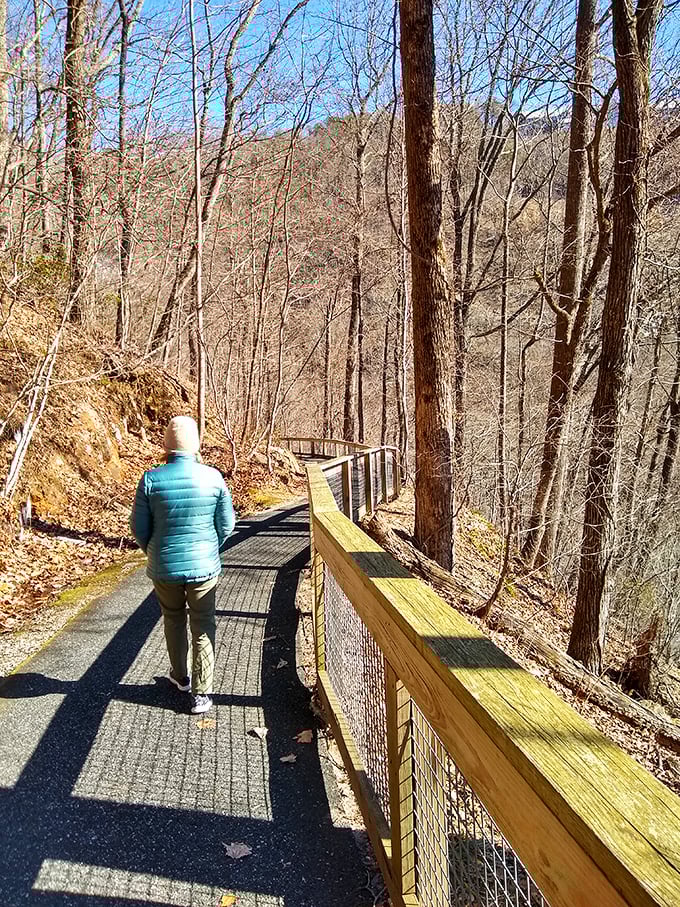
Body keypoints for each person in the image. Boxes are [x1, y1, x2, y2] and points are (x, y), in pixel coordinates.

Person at [131, 415, 235, 714]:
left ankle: (181, 677)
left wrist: (154, 550)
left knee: (173, 618)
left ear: (167, 445)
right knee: (203, 624)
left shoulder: (151, 479)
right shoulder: (213, 477)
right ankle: (202, 695)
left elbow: (138, 528)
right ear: (196, 445)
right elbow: (227, 524)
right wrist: (210, 549)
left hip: (164, 566)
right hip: (204, 566)